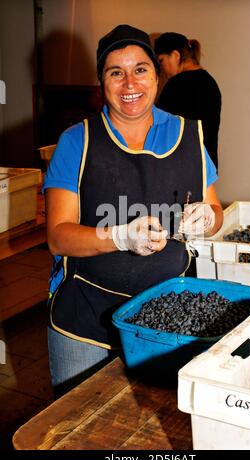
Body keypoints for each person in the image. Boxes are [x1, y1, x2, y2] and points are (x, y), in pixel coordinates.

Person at [43, 24, 223, 397]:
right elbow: (58, 236)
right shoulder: (78, 141)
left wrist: (208, 218)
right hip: (87, 320)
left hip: (167, 318)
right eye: (116, 72)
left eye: (140, 69)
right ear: (101, 81)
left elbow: (215, 208)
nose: (130, 83)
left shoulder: (189, 136)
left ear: (156, 76)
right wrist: (120, 236)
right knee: (78, 430)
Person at [154, 32, 221, 170]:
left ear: (176, 56)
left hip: (183, 168)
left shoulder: (177, 84)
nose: (161, 69)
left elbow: (155, 126)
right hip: (207, 167)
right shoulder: (210, 82)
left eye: (161, 61)